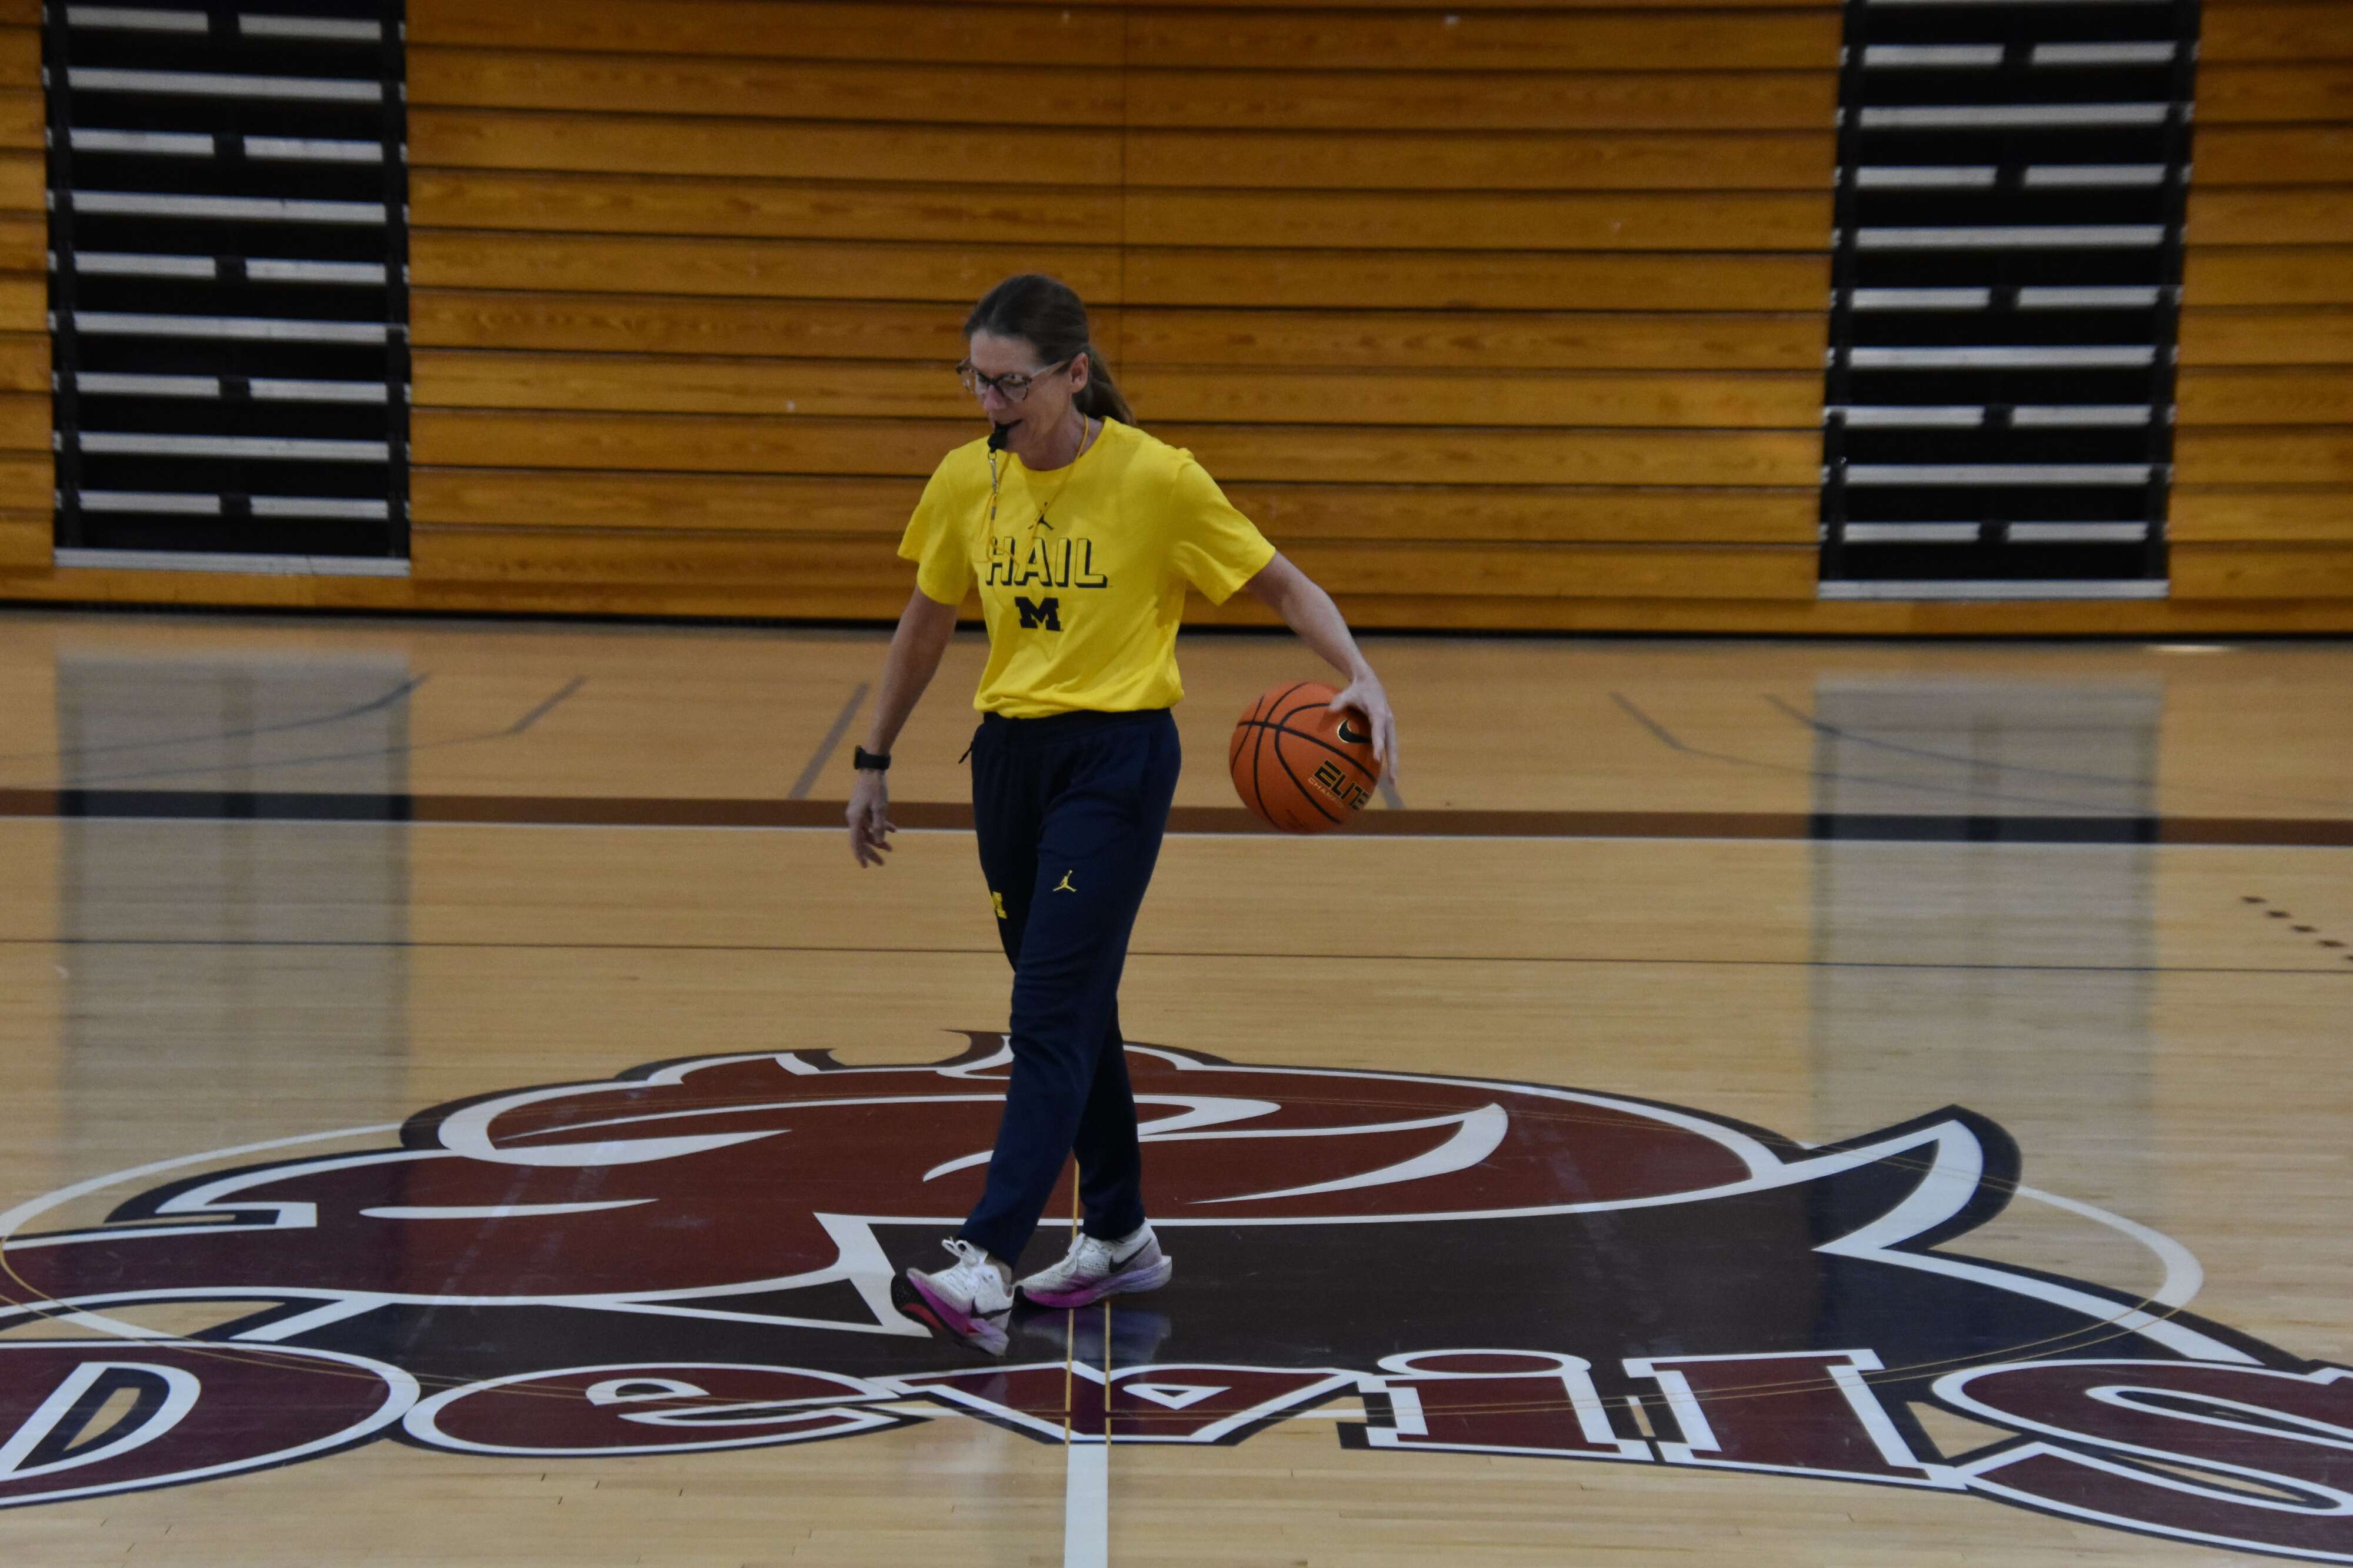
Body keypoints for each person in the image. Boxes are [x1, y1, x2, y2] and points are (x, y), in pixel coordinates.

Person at [849, 273, 1399, 1355]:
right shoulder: (967, 480)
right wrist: (873, 756)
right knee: (1073, 997)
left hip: (1116, 760)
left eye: (1010, 382)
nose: (990, 401)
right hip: (1008, 758)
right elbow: (924, 623)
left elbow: (1282, 584)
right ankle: (1119, 1232)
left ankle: (986, 1262)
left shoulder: (1158, 480)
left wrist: (1361, 673)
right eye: (976, 379)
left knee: (1047, 1009)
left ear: (1073, 375)